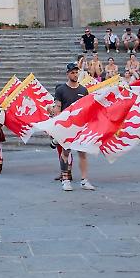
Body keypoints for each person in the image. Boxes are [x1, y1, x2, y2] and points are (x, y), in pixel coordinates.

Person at [51, 63, 95, 191]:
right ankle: (65, 180)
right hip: (66, 126)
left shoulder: (83, 90)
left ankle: (84, 180)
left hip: (80, 126)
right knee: (65, 152)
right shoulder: (61, 90)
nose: (75, 75)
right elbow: (58, 108)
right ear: (67, 74)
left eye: (76, 72)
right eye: (72, 72)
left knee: (83, 153)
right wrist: (57, 124)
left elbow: (87, 108)